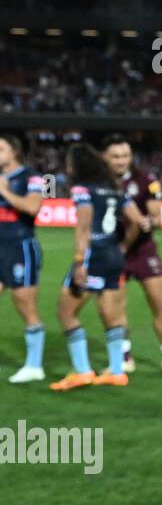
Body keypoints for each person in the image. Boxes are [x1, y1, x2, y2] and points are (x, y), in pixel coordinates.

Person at [51, 144, 147, 392]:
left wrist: (78, 259)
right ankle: (116, 372)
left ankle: (82, 371)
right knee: (111, 315)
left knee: (66, 313)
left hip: (93, 255)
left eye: (69, 162)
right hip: (113, 255)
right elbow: (139, 221)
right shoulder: (115, 189)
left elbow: (83, 227)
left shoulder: (83, 189)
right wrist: (124, 245)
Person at [101, 134, 162, 378]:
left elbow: (158, 217)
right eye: (116, 156)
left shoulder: (145, 180)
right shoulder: (98, 182)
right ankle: (125, 358)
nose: (121, 161)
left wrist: (149, 223)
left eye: (125, 155)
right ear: (104, 157)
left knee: (157, 303)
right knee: (116, 307)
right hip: (112, 252)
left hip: (142, 251)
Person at [0, 133, 48, 384]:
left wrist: (4, 191)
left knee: (24, 303)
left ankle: (34, 365)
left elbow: (32, 207)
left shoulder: (32, 177)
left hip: (20, 247)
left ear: (13, 152)